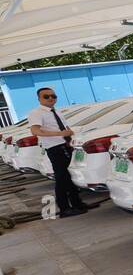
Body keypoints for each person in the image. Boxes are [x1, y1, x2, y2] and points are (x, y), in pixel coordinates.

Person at [28, 87, 88, 218]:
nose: (50, 98)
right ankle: (65, 208)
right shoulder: (36, 113)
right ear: (39, 99)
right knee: (61, 178)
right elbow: (35, 131)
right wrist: (60, 134)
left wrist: (70, 137)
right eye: (46, 96)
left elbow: (65, 128)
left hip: (66, 146)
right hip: (55, 148)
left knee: (70, 175)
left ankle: (77, 203)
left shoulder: (56, 111)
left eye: (53, 96)